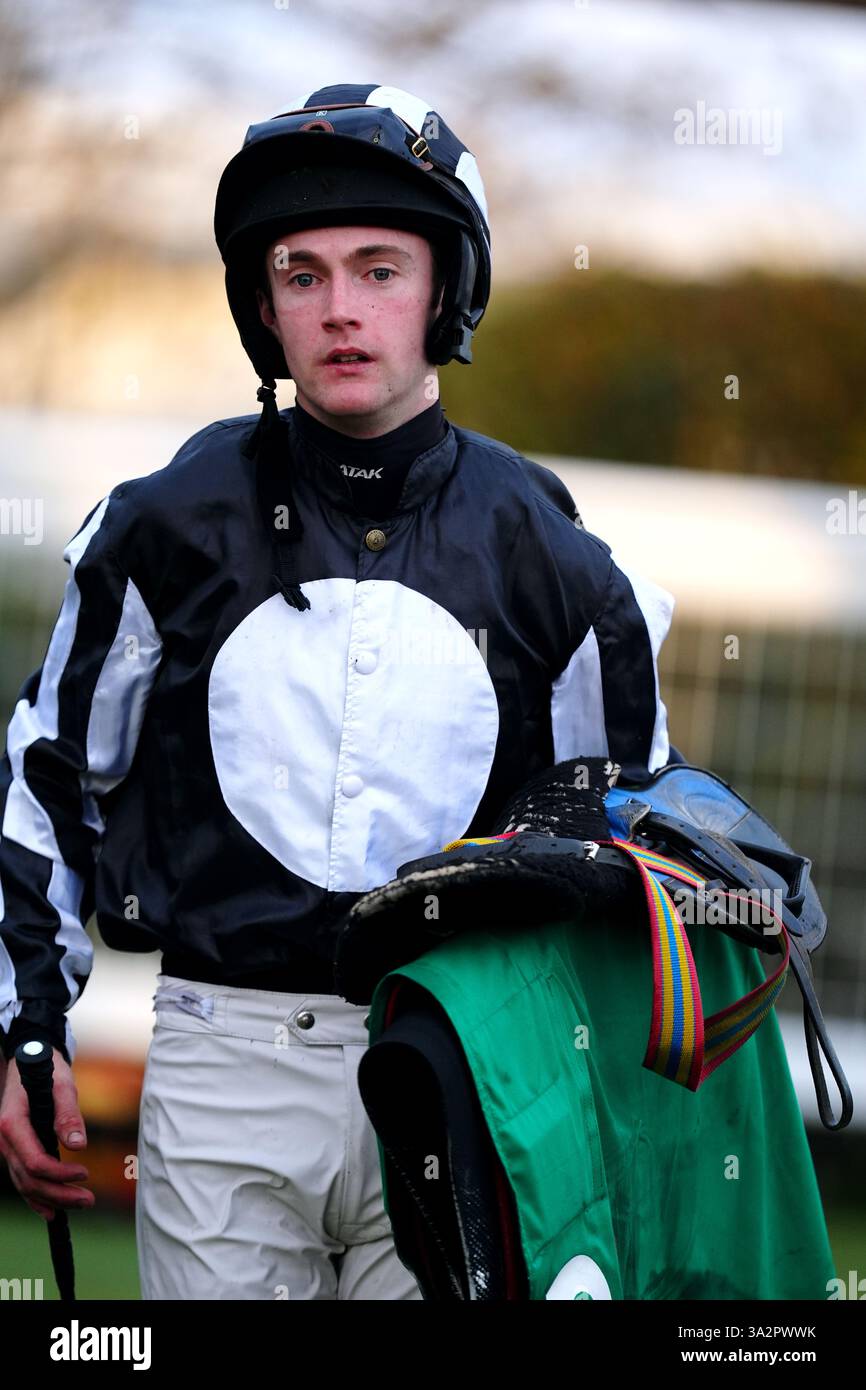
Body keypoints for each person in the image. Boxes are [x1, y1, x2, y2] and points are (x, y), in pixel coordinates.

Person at [0, 83, 675, 1300]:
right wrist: (30, 1028)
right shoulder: (158, 528)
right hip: (221, 1066)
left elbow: (624, 828)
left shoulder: (555, 559)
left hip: (464, 1057)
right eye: (300, 275)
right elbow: (49, 781)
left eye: (377, 268)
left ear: (446, 290)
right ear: (262, 308)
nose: (340, 309)